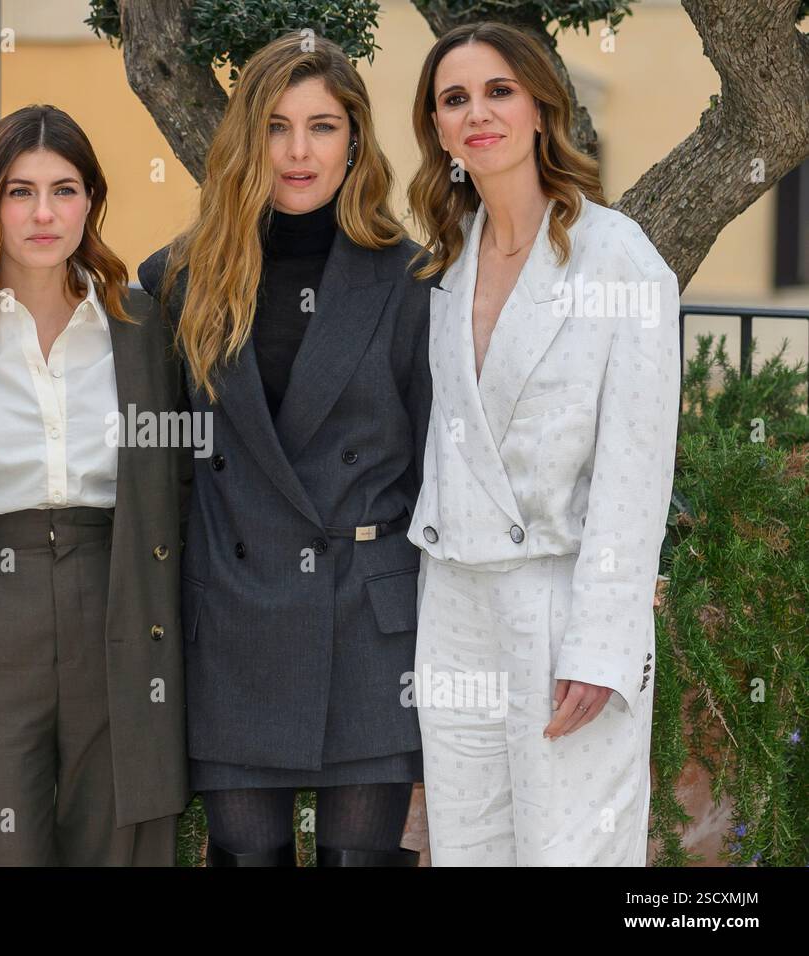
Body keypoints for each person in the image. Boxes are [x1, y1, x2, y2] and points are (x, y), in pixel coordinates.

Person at [138, 32, 432, 866]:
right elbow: (161, 470)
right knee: (245, 855)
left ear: (355, 141)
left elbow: (436, 470)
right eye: (276, 126)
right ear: (246, 139)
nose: (299, 151)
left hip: (367, 624)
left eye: (323, 126)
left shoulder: (411, 281)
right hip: (232, 619)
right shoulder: (178, 280)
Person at [405, 21, 680, 866]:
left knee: (571, 852)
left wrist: (603, 646)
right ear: (439, 130)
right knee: (466, 850)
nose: (478, 113)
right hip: (453, 603)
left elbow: (636, 471)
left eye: (500, 91)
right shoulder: (445, 261)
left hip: (559, 602)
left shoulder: (618, 258)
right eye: (455, 99)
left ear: (541, 109)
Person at [0, 105, 190, 865]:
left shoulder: (143, 327)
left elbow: (186, 481)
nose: (43, 214)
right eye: (19, 192)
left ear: (91, 201)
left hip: (119, 595)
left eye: (63, 190)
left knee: (119, 836)